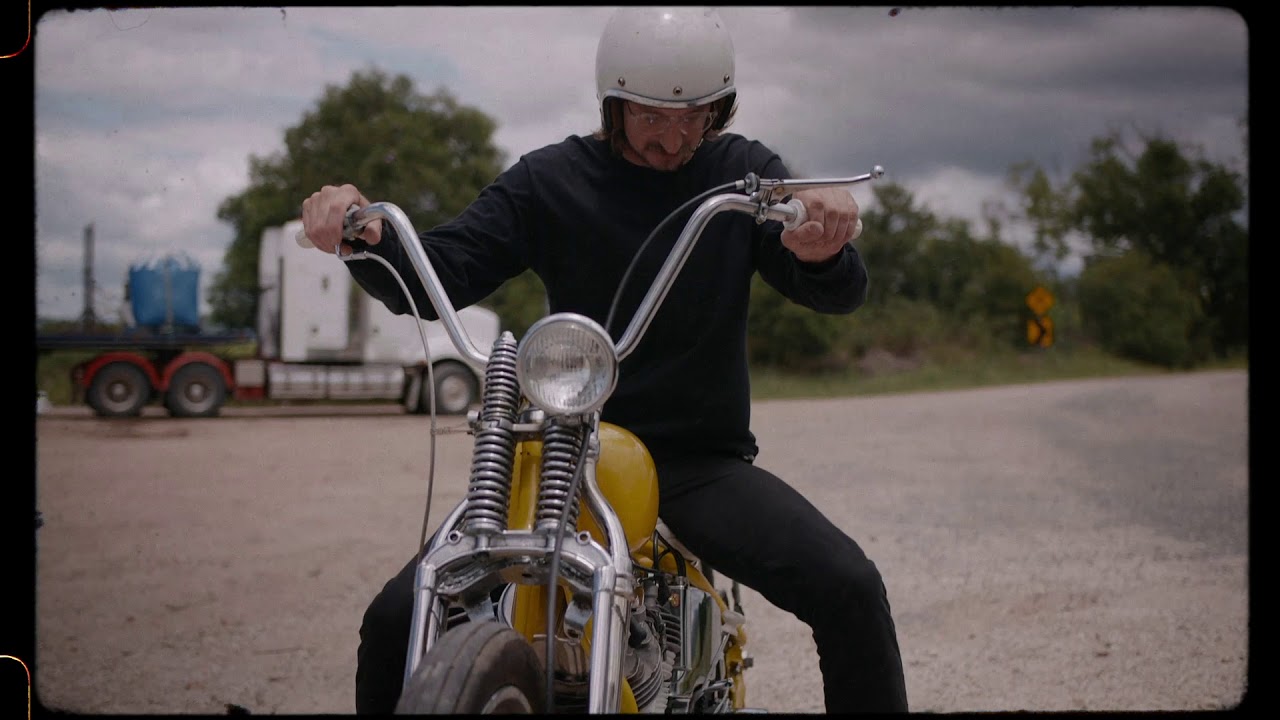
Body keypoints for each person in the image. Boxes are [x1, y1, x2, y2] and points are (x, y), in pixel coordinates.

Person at [301, 6, 908, 714]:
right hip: (560, 451)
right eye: (653, 115)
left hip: (695, 462)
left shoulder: (742, 173)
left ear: (720, 108)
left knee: (851, 587)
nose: (676, 137)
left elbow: (833, 288)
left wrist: (825, 246)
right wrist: (363, 232)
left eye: (698, 115)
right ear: (614, 103)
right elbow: (441, 272)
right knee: (396, 618)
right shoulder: (549, 180)